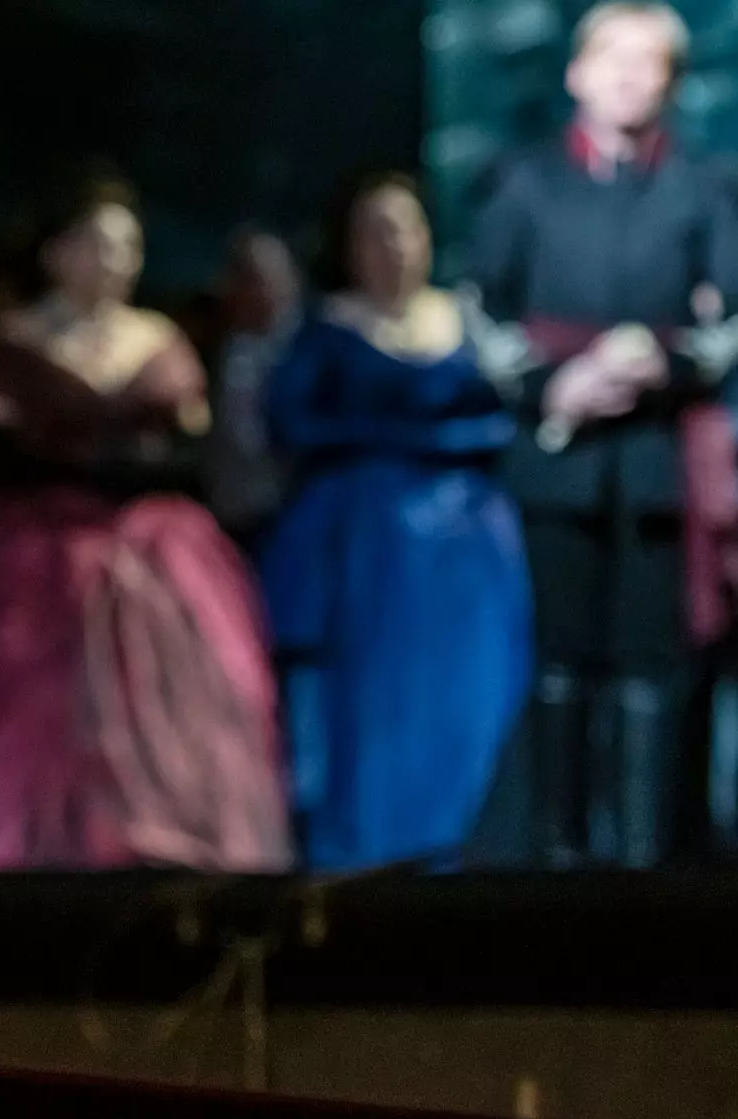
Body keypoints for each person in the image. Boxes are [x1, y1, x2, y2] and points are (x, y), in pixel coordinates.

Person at [0, 179, 291, 871]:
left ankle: (157, 835)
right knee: (33, 696)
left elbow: (195, 445)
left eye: (125, 246)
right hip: (33, 544)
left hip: (147, 541)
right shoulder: (8, 342)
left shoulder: (161, 341)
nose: (112, 260)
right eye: (94, 243)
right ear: (56, 253)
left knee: (168, 700)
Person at [469, 1, 738, 867]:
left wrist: (658, 364)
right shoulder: (523, 181)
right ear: (577, 73)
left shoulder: (703, 186)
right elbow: (482, 309)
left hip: (658, 466)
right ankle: (555, 853)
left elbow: (729, 315)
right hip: (557, 460)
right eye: (613, 58)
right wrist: (560, 383)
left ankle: (645, 860)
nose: (629, 76)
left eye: (648, 61)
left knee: (650, 666)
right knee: (561, 660)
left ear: (672, 80)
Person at [260, 176, 532, 872]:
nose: (395, 246)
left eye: (406, 228)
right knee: (371, 715)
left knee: (466, 705)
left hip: (466, 555)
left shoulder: (468, 322)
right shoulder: (326, 330)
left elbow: (514, 412)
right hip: (363, 548)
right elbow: (288, 423)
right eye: (375, 230)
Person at [205, 228, 301, 544]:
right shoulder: (218, 348)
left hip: (299, 512)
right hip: (239, 520)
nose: (263, 288)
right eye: (248, 277)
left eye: (272, 276)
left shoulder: (315, 348)